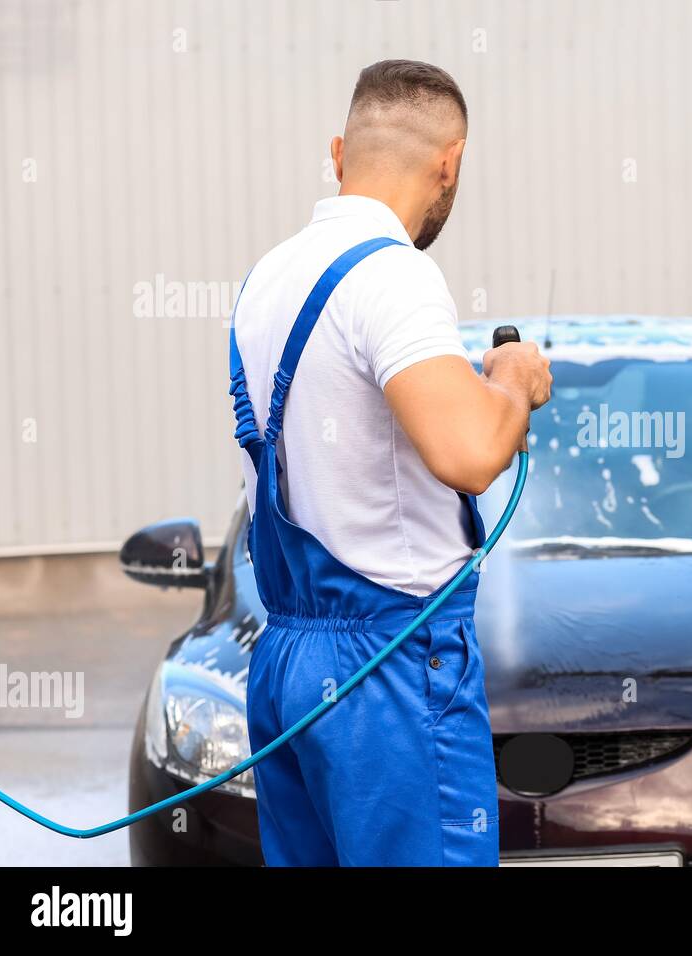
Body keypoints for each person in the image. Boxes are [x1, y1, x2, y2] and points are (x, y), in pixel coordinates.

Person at [226, 59, 551, 866]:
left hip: (291, 660)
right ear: (451, 163)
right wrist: (511, 381)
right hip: (390, 667)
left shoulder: (267, 278)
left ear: (339, 154)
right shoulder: (395, 275)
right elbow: (472, 456)